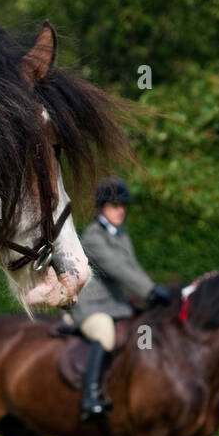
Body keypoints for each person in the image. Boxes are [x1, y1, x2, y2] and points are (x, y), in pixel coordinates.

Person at [69, 177, 170, 420]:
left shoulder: (121, 236)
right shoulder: (93, 236)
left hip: (118, 306)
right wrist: (149, 290)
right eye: (115, 205)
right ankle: (90, 398)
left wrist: (152, 290)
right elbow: (118, 269)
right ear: (102, 207)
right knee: (105, 334)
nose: (121, 210)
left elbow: (133, 268)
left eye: (123, 205)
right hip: (92, 307)